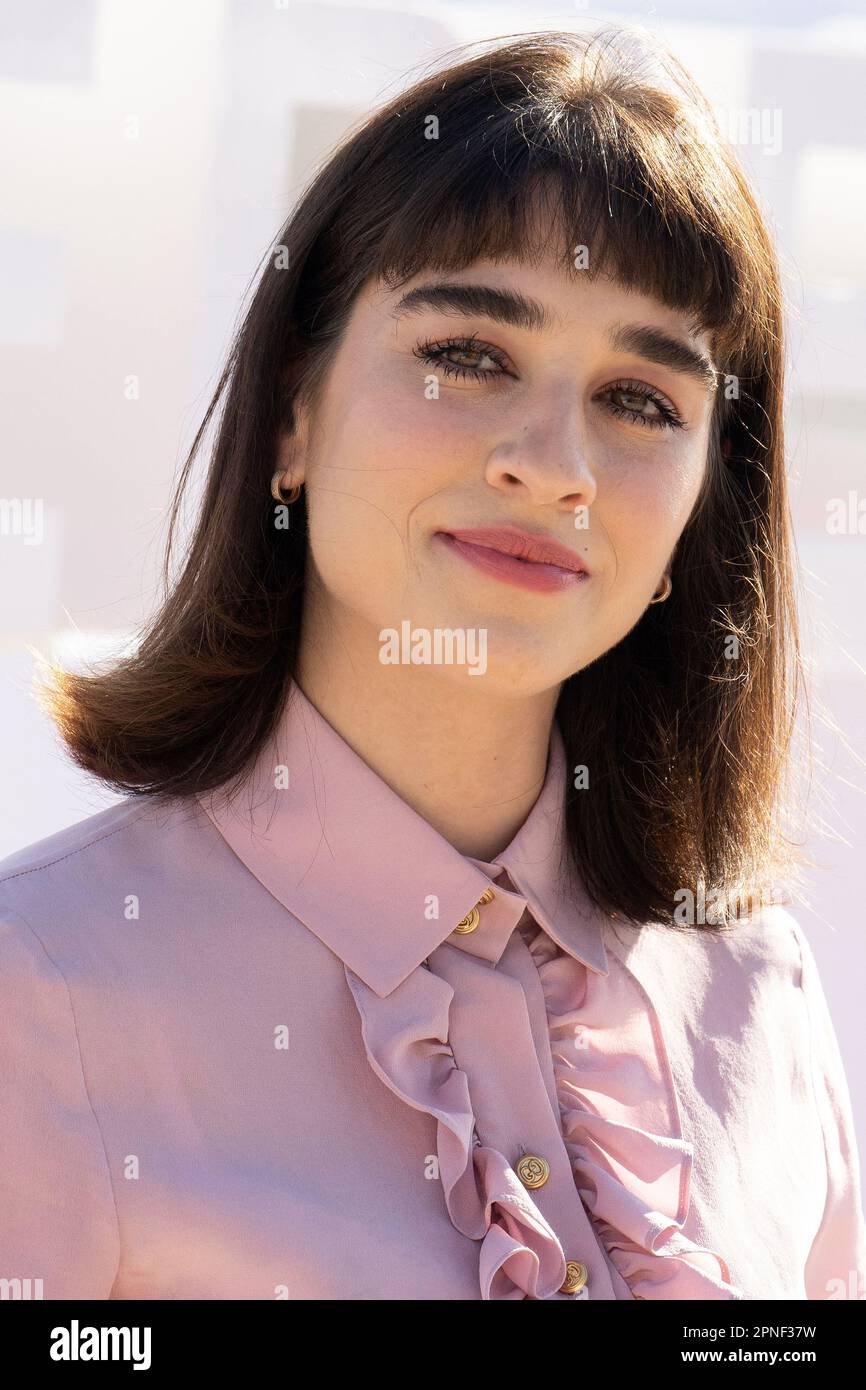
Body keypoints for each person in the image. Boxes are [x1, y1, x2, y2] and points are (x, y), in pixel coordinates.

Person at [1, 26, 864, 1301]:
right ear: (292, 412)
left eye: (642, 400)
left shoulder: (762, 996)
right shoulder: (42, 993)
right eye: (468, 355)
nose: (555, 464)